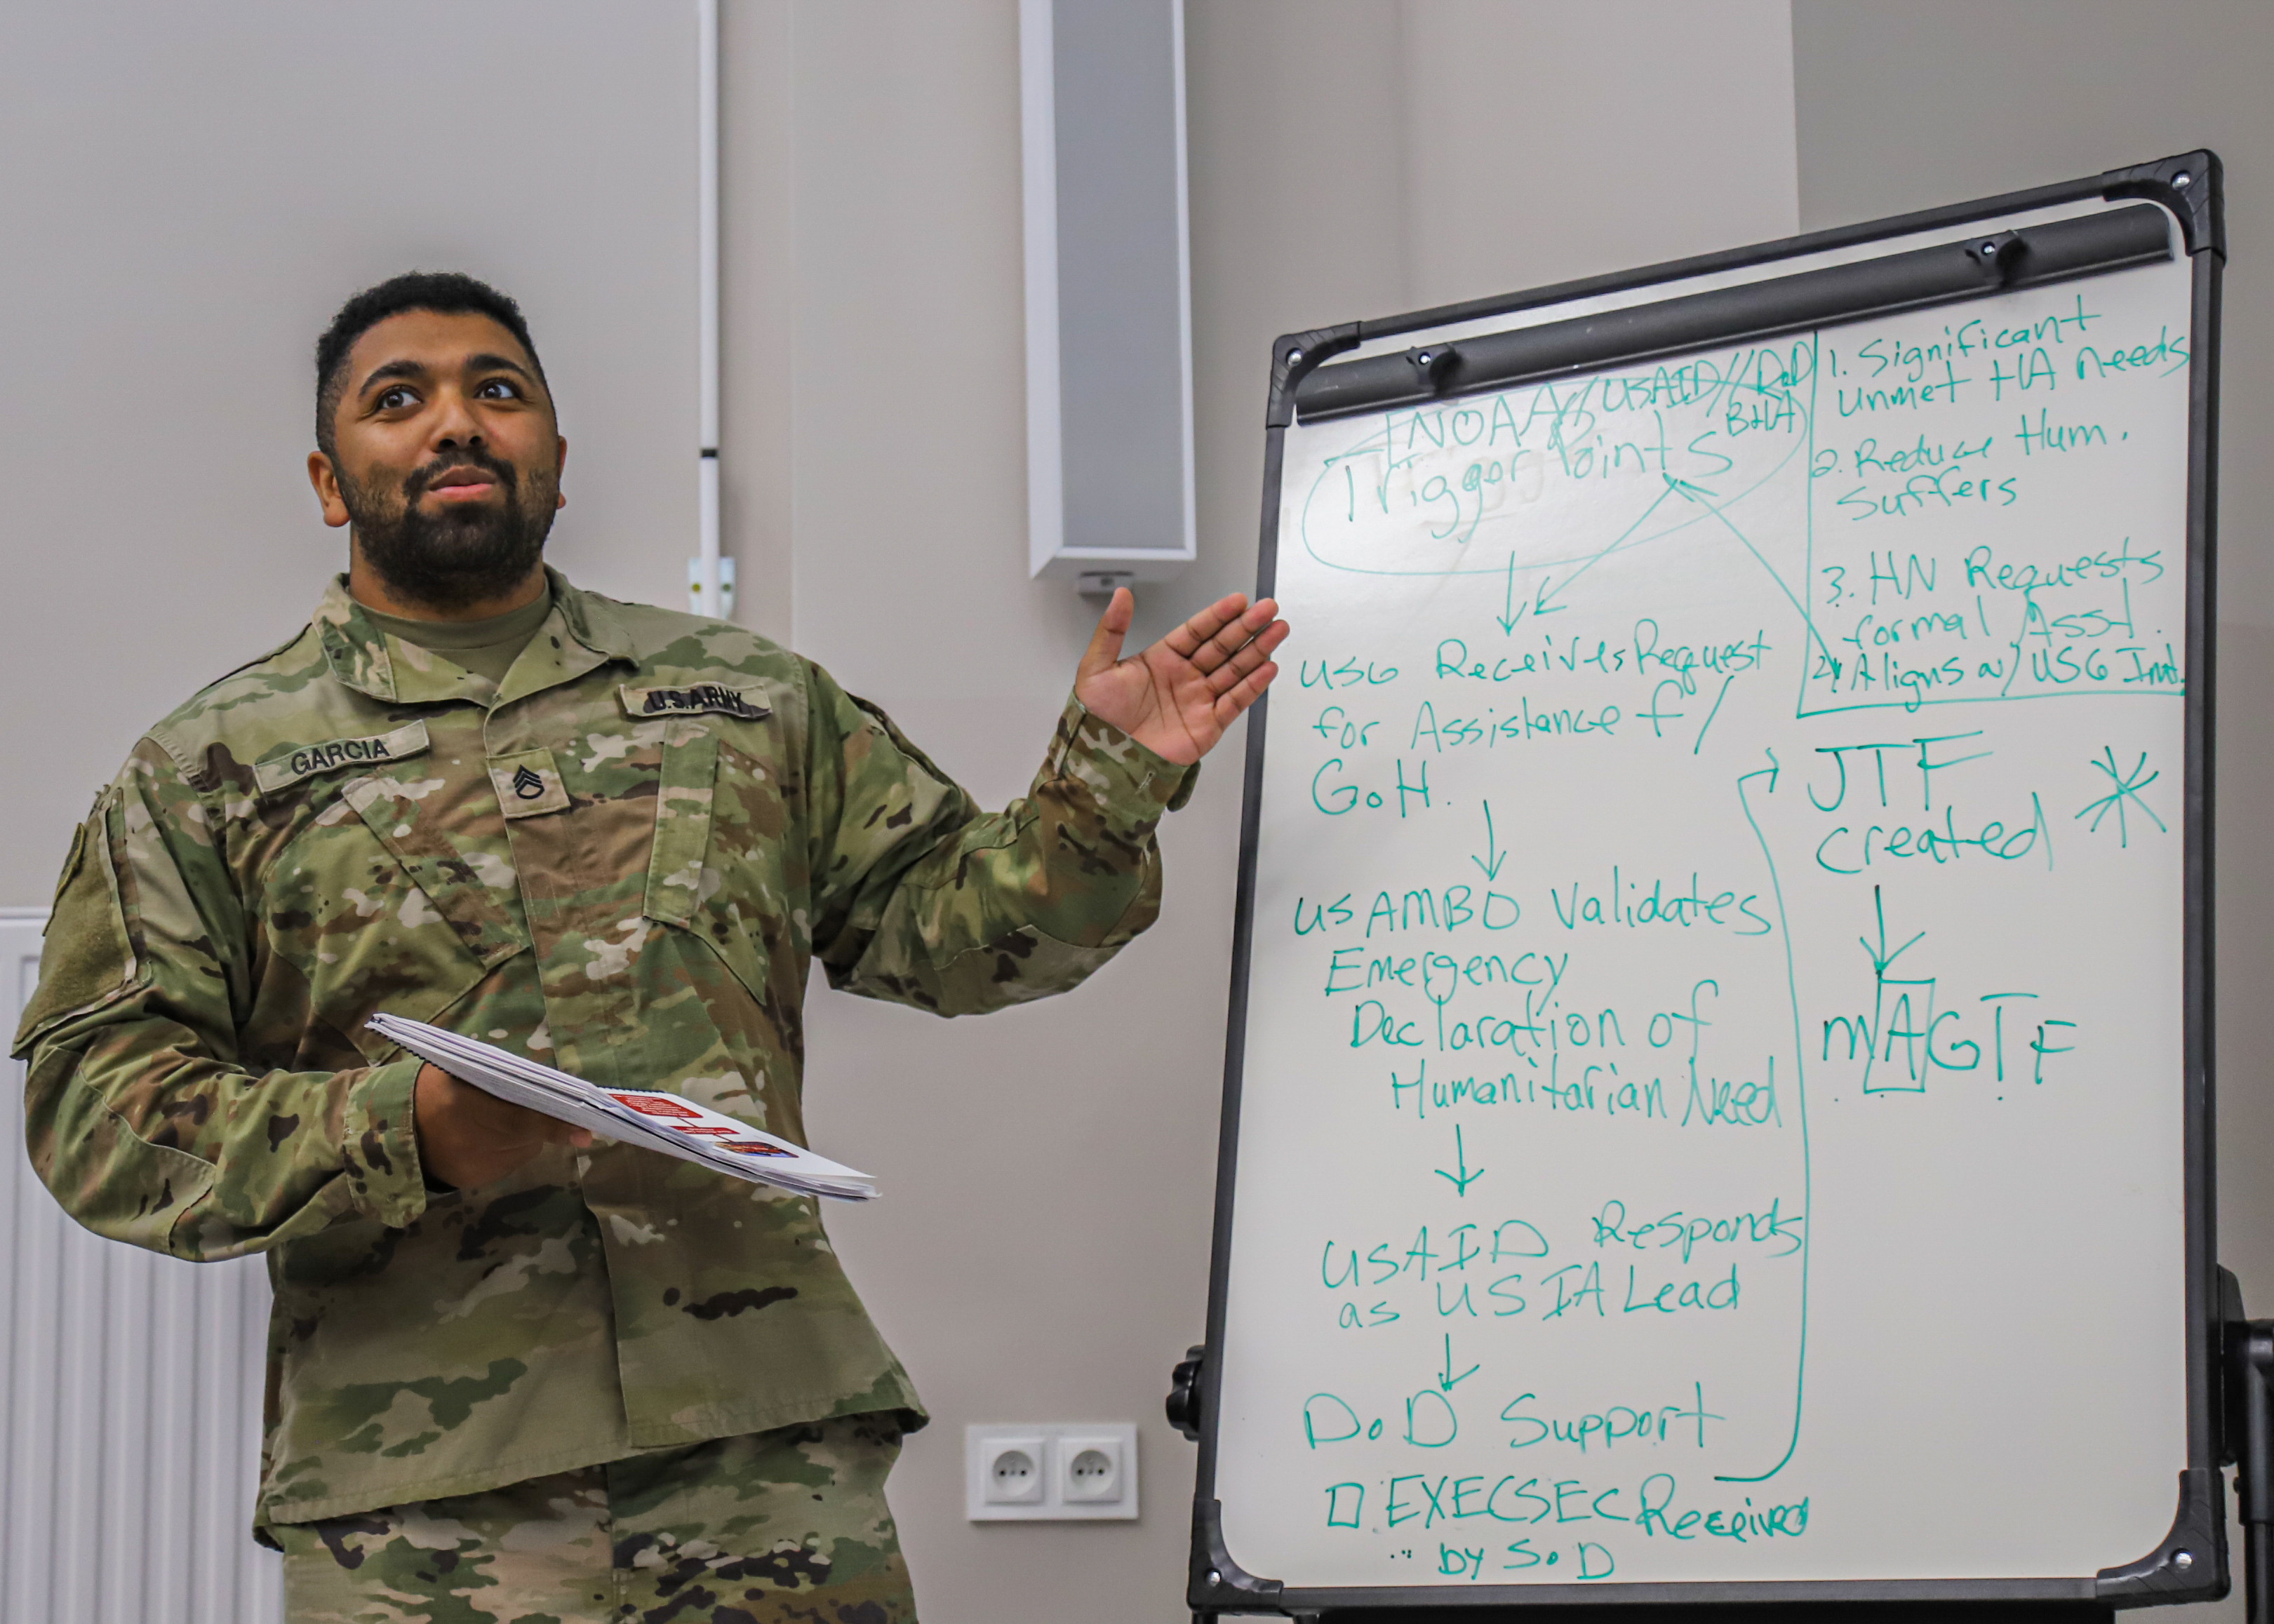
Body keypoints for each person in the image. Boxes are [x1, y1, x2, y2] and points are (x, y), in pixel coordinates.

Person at [13, 271, 1285, 1623]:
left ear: (557, 463)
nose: (456, 422)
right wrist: (405, 1130)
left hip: (765, 1456)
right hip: (422, 1499)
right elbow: (96, 1112)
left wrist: (1106, 780)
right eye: (399, 400)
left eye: (496, 391)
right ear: (331, 483)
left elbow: (960, 939)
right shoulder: (209, 770)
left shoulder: (748, 700)